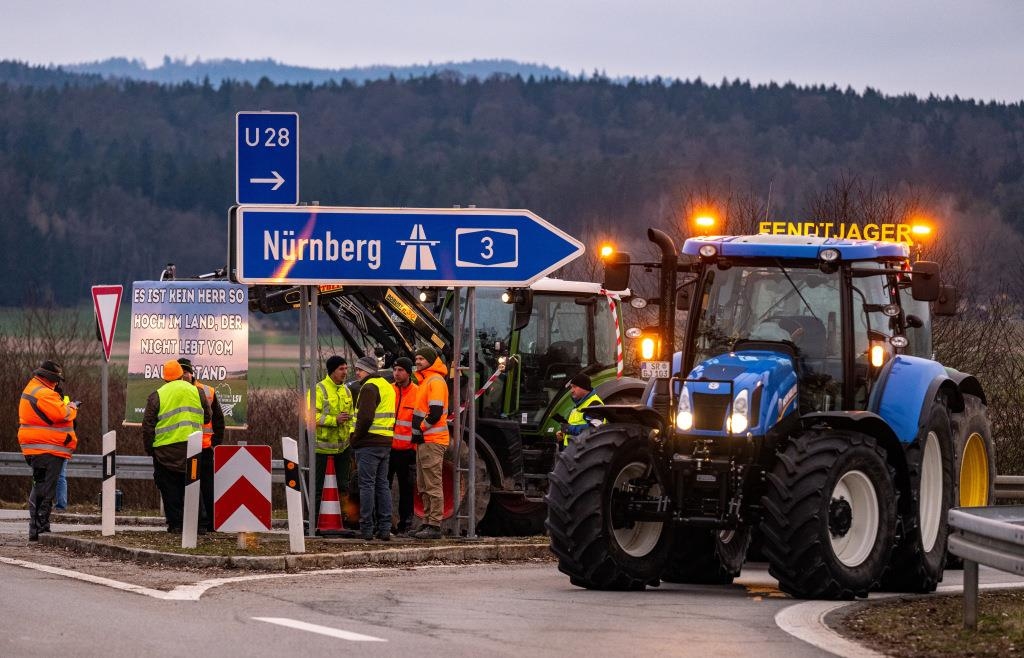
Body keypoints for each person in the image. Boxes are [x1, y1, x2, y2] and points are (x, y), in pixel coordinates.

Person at [142, 359, 209, 533]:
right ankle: (200, 525)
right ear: (181, 374)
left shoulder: (156, 395)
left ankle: (176, 525)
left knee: (170, 488)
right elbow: (207, 417)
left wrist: (151, 449)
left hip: (165, 451)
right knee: (194, 485)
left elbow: (148, 425)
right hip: (192, 448)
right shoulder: (197, 391)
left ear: (164, 378)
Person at [18, 360, 78, 541]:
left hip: (41, 448)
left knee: (41, 487)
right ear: (50, 378)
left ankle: (40, 527)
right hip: (46, 449)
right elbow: (63, 414)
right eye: (56, 379)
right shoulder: (44, 393)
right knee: (44, 489)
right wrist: (73, 407)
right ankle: (38, 529)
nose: (57, 383)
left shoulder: (35, 388)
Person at [349, 355, 396, 541]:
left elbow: (365, 418)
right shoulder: (387, 386)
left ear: (368, 371)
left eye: (359, 369)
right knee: (382, 485)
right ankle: (384, 528)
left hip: (368, 443)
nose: (357, 373)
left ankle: (366, 528)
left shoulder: (369, 387)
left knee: (366, 485)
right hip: (385, 443)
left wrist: (354, 439)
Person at [178, 357, 225, 532]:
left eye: (186, 372)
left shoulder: (207, 391)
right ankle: (193, 524)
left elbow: (219, 420)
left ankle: (210, 523)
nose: (184, 375)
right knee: (188, 487)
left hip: (204, 448)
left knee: (207, 487)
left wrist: (215, 443)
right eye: (181, 372)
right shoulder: (175, 392)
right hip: (183, 447)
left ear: (192, 373)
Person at [411, 345, 450, 540]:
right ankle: (427, 522)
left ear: (430, 361)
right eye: (416, 359)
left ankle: (434, 525)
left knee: (432, 484)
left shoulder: (435, 381)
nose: (417, 362)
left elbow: (435, 413)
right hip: (425, 441)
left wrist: (421, 428)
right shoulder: (426, 381)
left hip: (432, 440)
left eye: (421, 359)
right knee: (423, 484)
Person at [311, 355, 354, 530]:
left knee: (344, 486)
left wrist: (351, 433)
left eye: (346, 368)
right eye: (341, 369)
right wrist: (333, 420)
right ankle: (314, 523)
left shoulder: (347, 391)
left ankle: (343, 522)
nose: (345, 372)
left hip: (343, 447)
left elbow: (351, 417)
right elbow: (311, 417)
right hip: (322, 448)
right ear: (332, 371)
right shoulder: (318, 390)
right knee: (319, 487)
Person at [389, 356, 419, 535]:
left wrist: (414, 447)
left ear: (408, 373)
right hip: (388, 448)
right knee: (383, 486)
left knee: (406, 490)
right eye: (395, 370)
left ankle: (405, 525)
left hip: (407, 451)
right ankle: (385, 523)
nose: (396, 373)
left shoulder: (417, 392)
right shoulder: (388, 391)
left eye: (400, 370)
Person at [556, 373, 604, 448]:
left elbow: (595, 428)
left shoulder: (594, 403)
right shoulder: (580, 403)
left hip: (584, 450)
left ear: (584, 387)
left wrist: (569, 429)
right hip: (575, 449)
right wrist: (563, 437)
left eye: (574, 387)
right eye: (571, 387)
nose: (571, 391)